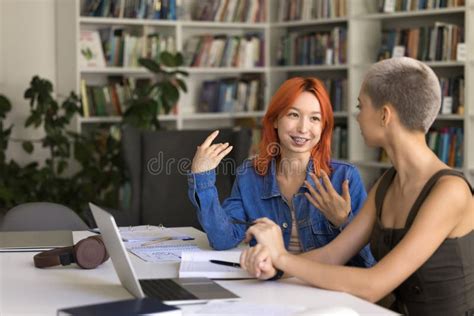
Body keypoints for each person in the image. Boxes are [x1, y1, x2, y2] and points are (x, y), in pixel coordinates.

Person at [240, 57, 474, 315]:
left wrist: (281, 257)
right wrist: (274, 266)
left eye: (361, 106)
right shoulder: (386, 184)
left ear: (384, 115)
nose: (357, 116)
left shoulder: (450, 191)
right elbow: (332, 255)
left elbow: (374, 285)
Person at [188, 77, 375, 268]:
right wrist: (203, 177)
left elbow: (369, 263)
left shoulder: (345, 178)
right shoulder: (249, 176)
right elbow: (223, 239)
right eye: (293, 115)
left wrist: (343, 221)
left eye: (315, 118)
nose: (303, 128)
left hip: (325, 288)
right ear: (276, 119)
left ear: (323, 127)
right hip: (271, 285)